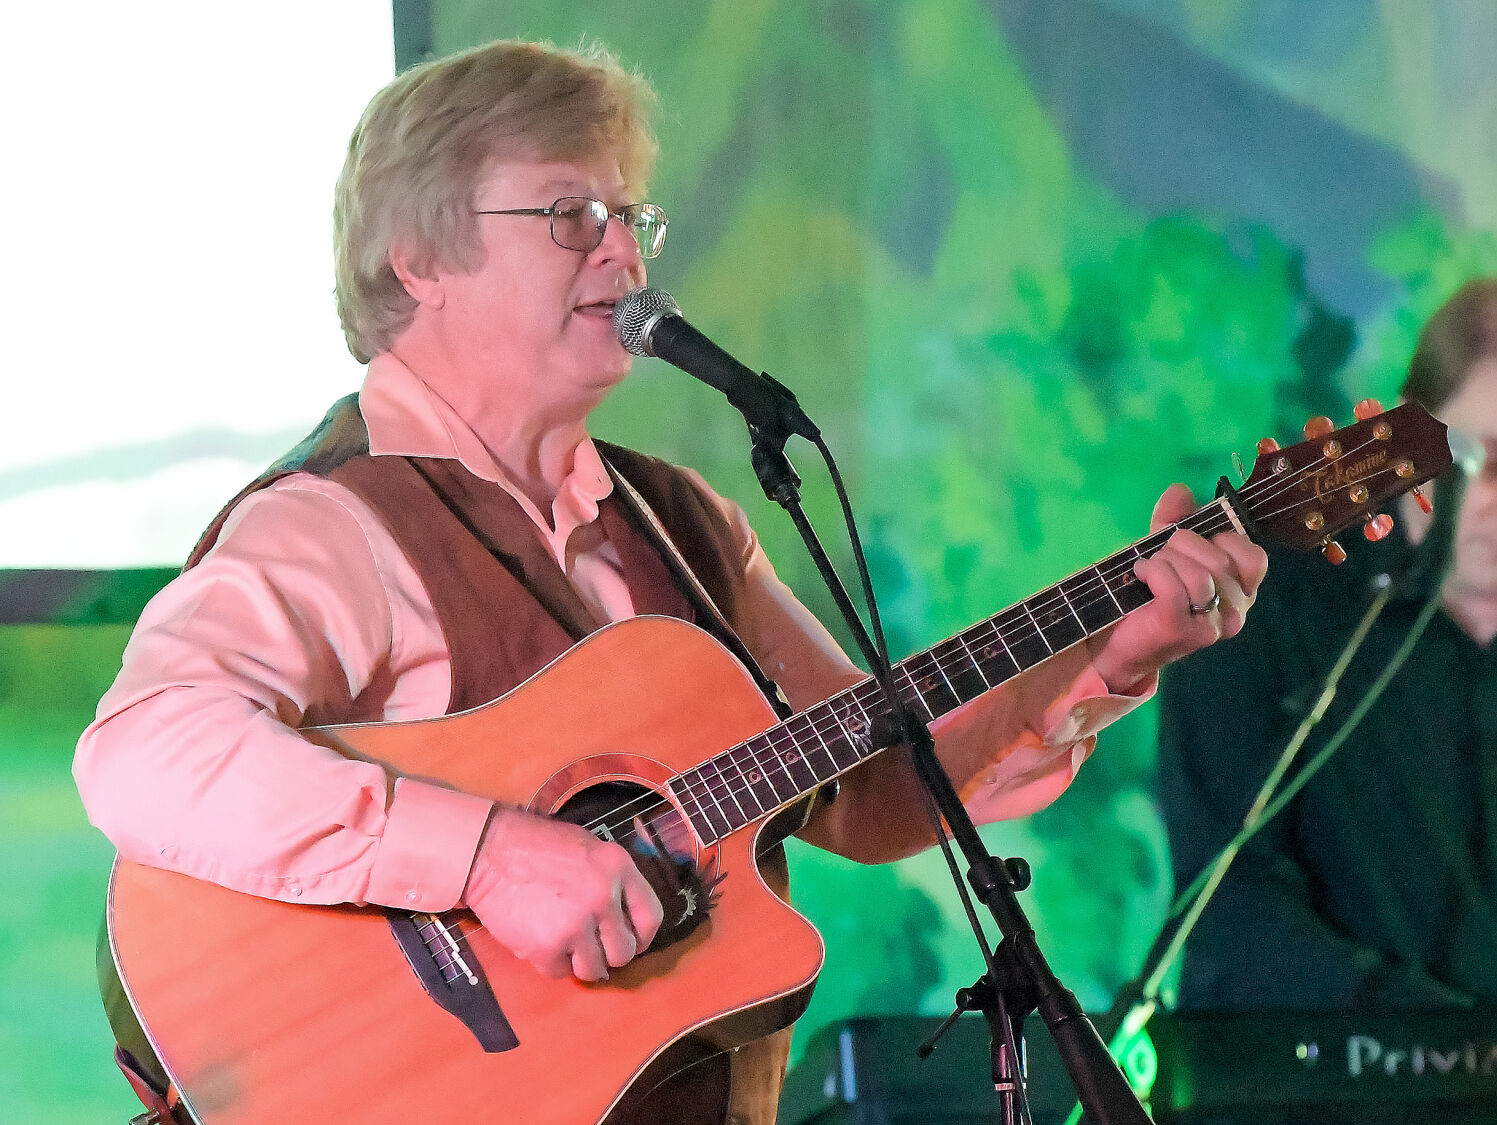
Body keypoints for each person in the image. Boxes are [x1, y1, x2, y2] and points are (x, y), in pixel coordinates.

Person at [72, 39, 1266, 1123]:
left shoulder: (685, 525)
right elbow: (141, 752)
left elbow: (873, 787)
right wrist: (491, 857)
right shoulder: (334, 523)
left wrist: (1111, 652)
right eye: (568, 213)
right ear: (419, 257)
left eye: (631, 216)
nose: (622, 252)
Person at [1159, 274, 1497, 1011]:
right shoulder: (1253, 616)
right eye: (1496, 463)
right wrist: (1450, 1053)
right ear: (1409, 430)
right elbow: (1229, 915)